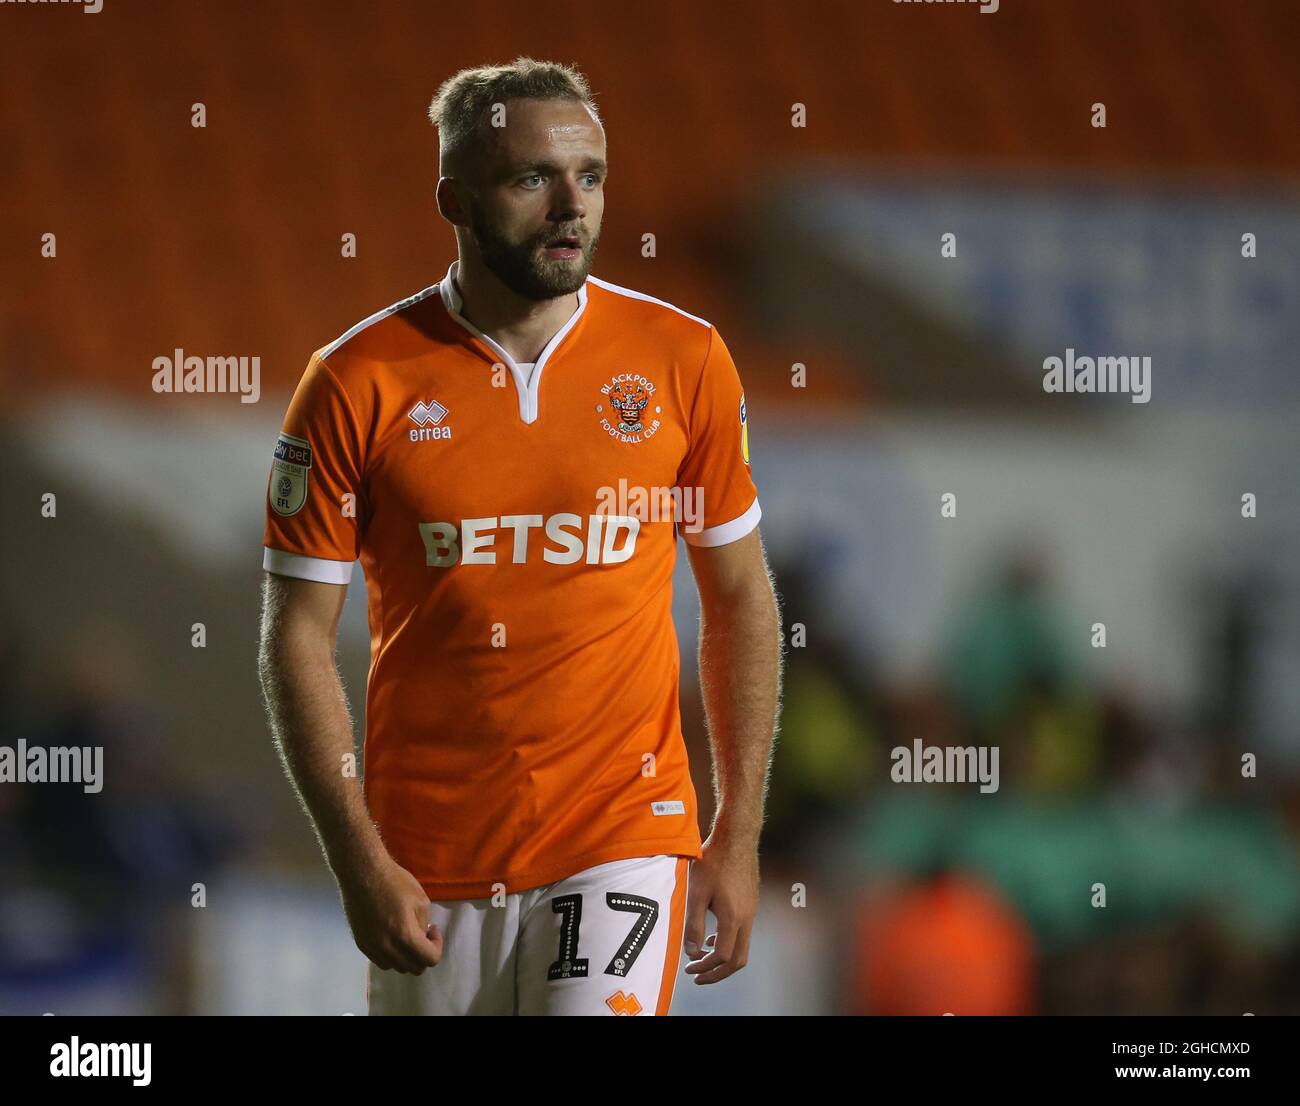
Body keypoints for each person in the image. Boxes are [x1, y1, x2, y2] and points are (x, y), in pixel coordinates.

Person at [256, 58, 781, 1015]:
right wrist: (354, 855)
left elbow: (741, 595)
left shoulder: (685, 358)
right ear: (452, 198)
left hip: (622, 830)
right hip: (431, 852)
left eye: (590, 177)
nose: (569, 208)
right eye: (531, 178)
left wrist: (736, 833)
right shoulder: (354, 382)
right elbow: (295, 635)